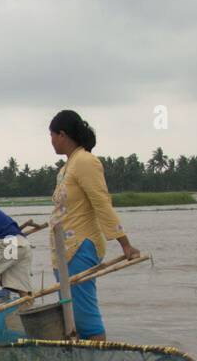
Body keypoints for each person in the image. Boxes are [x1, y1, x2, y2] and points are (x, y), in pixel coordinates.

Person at [47, 110, 140, 341]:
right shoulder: (66, 167)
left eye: (52, 135)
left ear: (62, 134)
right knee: (72, 317)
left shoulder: (86, 162)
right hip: (64, 251)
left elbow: (102, 203)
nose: (51, 141)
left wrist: (125, 244)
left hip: (81, 246)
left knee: (85, 317)